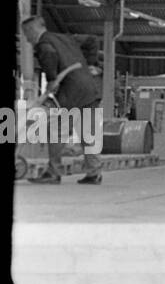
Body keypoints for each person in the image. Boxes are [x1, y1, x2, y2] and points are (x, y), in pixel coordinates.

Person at [20, 14, 104, 184]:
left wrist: (52, 79)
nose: (27, 40)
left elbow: (50, 55)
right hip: (90, 88)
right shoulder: (66, 38)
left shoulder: (43, 44)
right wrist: (91, 64)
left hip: (71, 91)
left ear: (32, 30)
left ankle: (53, 172)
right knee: (88, 132)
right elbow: (91, 40)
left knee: (57, 130)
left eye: (26, 34)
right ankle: (94, 173)